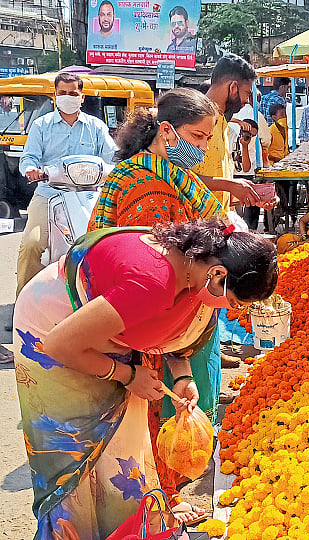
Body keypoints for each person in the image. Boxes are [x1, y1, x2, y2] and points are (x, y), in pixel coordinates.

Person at [13, 219, 278, 539]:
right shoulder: (153, 283)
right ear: (219, 274)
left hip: (106, 336)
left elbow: (173, 338)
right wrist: (125, 374)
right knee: (76, 463)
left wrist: (183, 378)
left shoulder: (197, 269)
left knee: (123, 461)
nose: (231, 310)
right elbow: (58, 345)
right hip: (52, 330)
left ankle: (120, 528)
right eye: (234, 302)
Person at [87, 88, 229, 524]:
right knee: (136, 412)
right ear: (167, 132)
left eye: (208, 139)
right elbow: (159, 264)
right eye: (197, 137)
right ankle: (151, 502)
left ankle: (150, 498)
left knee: (133, 413)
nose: (203, 148)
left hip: (126, 308)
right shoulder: (154, 182)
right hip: (138, 310)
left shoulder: (146, 174)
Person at [16, 72, 118, 296]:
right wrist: (31, 170)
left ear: (82, 97)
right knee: (31, 244)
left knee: (106, 244)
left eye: (73, 93)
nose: (68, 97)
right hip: (49, 193)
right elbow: (28, 157)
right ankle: (24, 305)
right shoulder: (41, 125)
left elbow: (114, 157)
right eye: (62, 93)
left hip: (89, 195)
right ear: (55, 96)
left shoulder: (97, 127)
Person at [192, 53, 276, 212]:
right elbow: (178, 178)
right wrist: (230, 185)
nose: (246, 102)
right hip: (194, 228)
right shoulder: (195, 119)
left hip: (216, 225)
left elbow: (217, 194)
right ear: (233, 88)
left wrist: (251, 196)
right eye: (247, 94)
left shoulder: (224, 123)